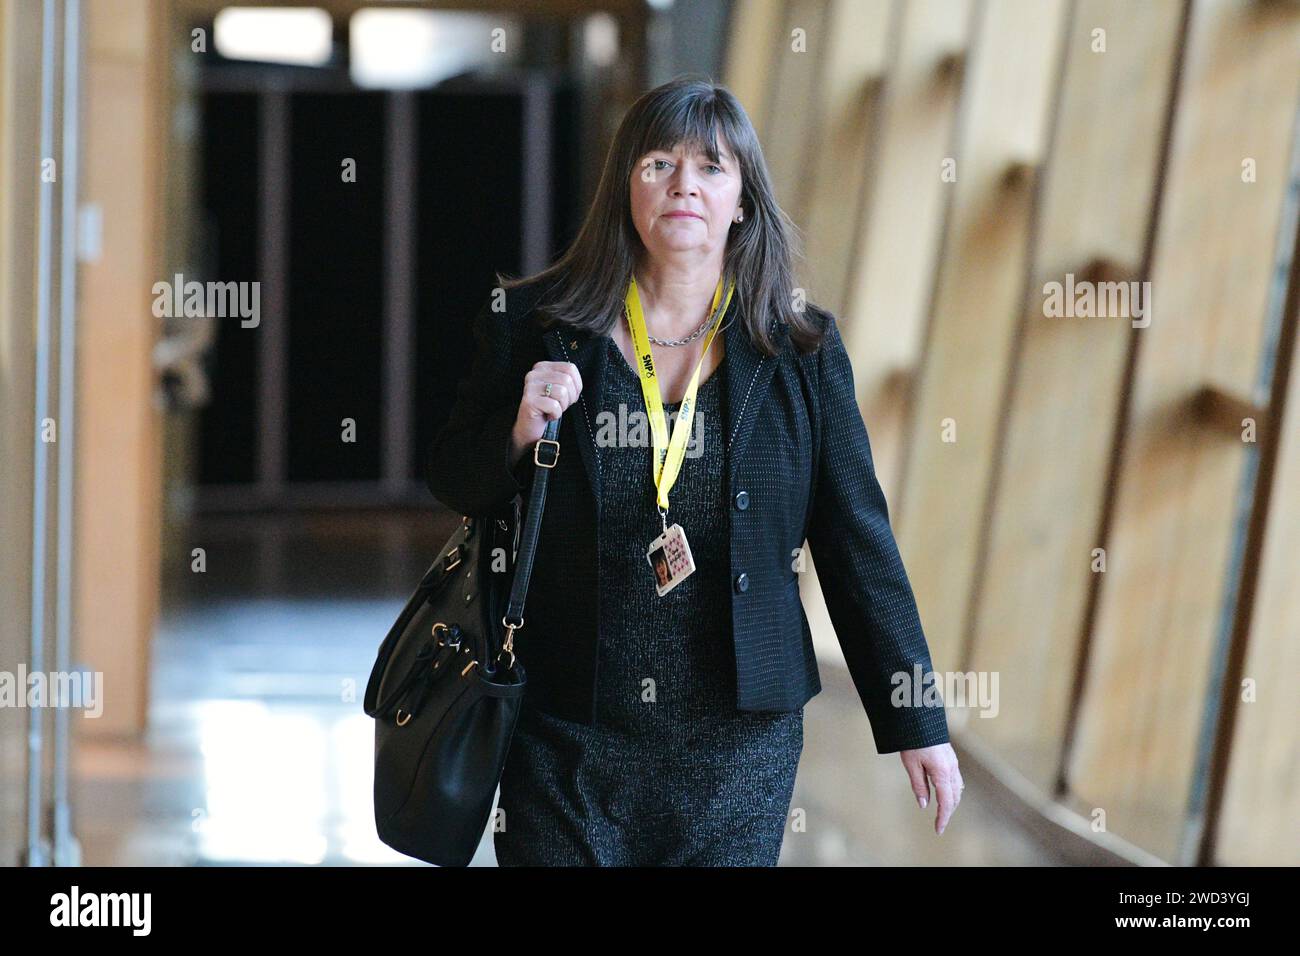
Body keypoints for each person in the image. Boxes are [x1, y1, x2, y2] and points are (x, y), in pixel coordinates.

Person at [426, 75, 961, 866]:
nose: (684, 186)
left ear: (742, 198)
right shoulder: (536, 326)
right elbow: (452, 479)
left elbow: (857, 542)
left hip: (738, 744)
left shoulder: (799, 351)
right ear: (625, 188)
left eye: (711, 167)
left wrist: (918, 719)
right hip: (565, 729)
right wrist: (516, 430)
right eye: (658, 165)